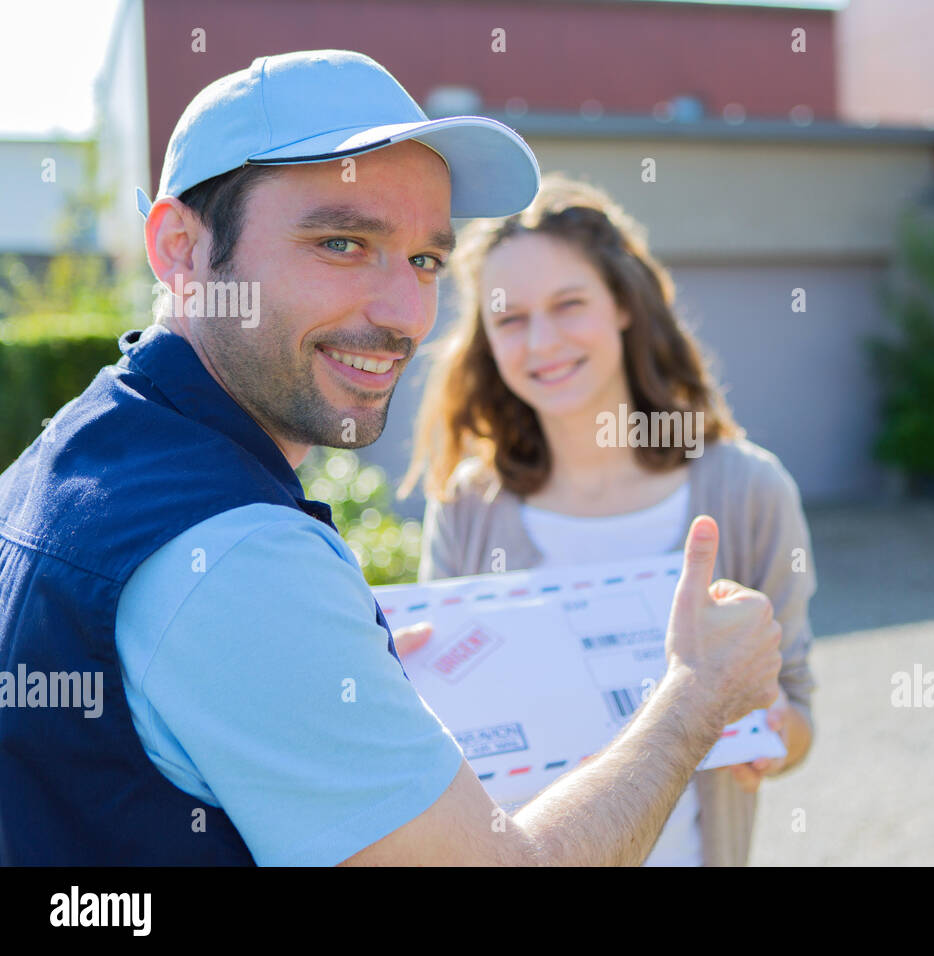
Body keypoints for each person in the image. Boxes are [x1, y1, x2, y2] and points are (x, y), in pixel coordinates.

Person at [0, 50, 782, 866]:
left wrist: (342, 672)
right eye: (341, 242)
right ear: (180, 250)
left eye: (425, 261)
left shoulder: (66, 455)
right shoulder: (238, 556)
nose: (405, 313)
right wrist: (695, 696)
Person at [396, 174, 817, 867]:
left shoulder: (746, 489)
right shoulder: (470, 505)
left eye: (569, 304)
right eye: (509, 318)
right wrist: (406, 686)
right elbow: (444, 741)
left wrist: (765, 728)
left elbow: (796, 709)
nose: (543, 341)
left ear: (622, 304)